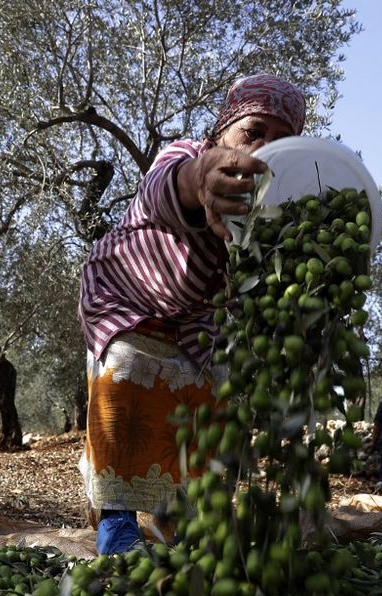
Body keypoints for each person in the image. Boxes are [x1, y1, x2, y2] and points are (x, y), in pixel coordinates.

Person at [77, 74, 307, 554]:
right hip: (127, 299)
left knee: (216, 406)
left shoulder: (276, 208)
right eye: (253, 132)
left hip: (198, 320)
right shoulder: (185, 156)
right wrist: (199, 178)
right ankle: (117, 522)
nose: (263, 148)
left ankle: (179, 523)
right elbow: (163, 189)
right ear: (225, 129)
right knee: (126, 376)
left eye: (280, 141)